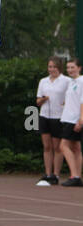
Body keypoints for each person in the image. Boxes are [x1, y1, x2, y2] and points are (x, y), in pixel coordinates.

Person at [35, 57, 68, 185]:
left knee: (57, 147)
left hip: (58, 116)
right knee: (47, 146)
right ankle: (48, 173)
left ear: (59, 68)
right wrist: (43, 99)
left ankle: (56, 174)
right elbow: (37, 101)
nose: (52, 69)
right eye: (50, 67)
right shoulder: (43, 81)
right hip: (44, 116)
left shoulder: (66, 81)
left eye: (54, 67)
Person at [59, 58, 83, 187]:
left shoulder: (81, 81)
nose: (70, 70)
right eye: (68, 68)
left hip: (74, 119)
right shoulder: (71, 82)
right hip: (68, 117)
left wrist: (81, 119)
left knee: (63, 146)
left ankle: (74, 175)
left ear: (79, 68)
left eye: (73, 67)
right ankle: (77, 176)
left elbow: (82, 102)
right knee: (76, 148)